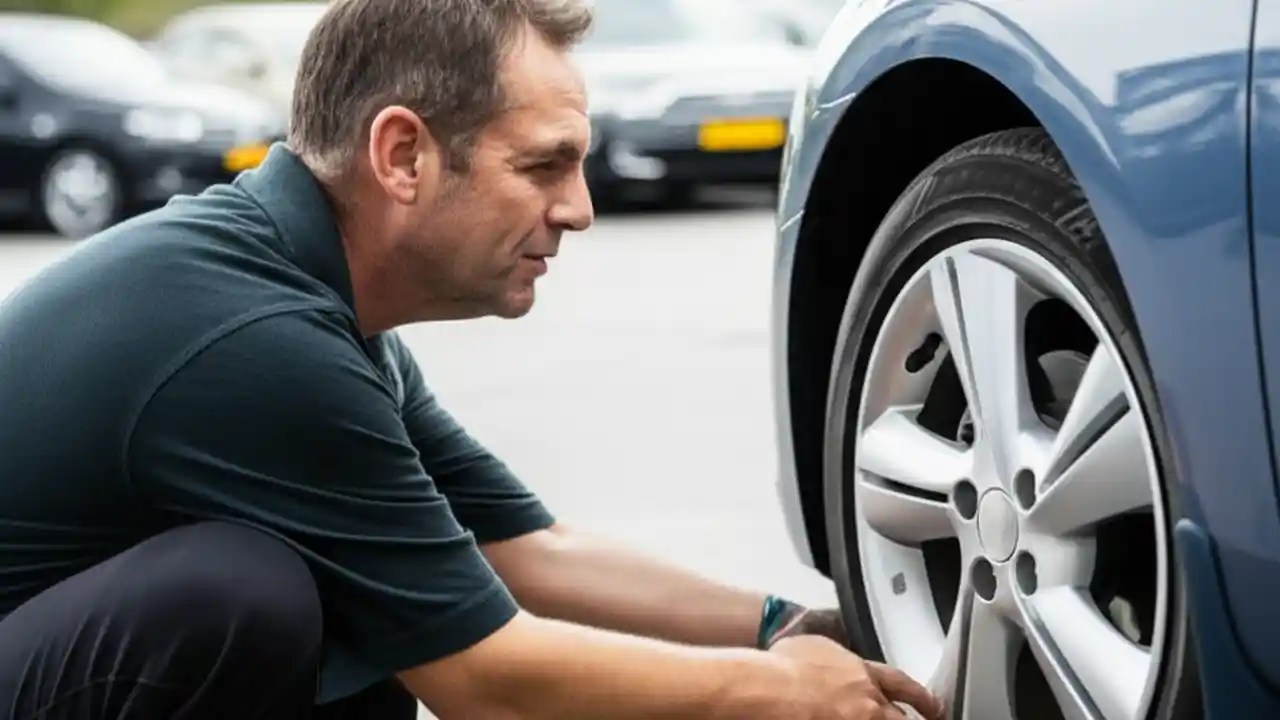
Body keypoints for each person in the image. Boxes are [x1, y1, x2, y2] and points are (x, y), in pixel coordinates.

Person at [0, 1, 945, 718]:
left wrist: (786, 627)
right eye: (543, 165)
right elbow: (481, 674)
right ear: (403, 155)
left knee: (362, 595)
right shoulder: (254, 340)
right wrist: (768, 692)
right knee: (254, 594)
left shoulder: (305, 295)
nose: (579, 208)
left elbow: (525, 552)